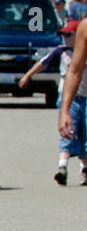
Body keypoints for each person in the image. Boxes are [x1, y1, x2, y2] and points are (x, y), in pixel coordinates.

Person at [21, 21, 83, 185]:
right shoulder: (61, 51)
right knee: (68, 132)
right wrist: (27, 75)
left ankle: (84, 169)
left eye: (69, 35)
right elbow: (43, 63)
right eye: (63, 34)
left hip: (85, 96)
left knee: (85, 135)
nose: (65, 38)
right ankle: (62, 167)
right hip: (67, 96)